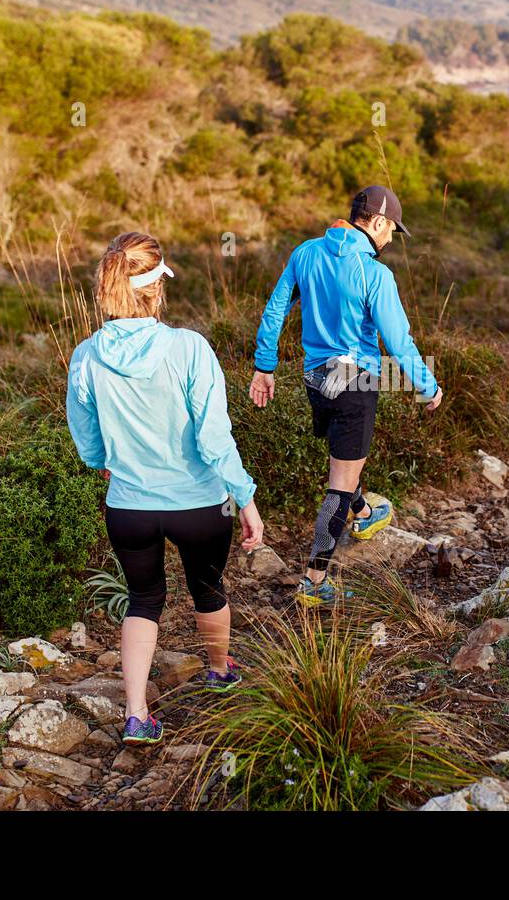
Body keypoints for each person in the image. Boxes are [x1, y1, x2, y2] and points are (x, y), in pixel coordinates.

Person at [66, 232, 263, 746]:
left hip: (128, 507)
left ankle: (135, 715)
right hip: (199, 503)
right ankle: (219, 670)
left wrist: (102, 464)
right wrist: (245, 498)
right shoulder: (189, 347)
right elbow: (213, 436)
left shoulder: (86, 355)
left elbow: (85, 436)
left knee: (144, 598)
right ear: (155, 289)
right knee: (208, 588)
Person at [249, 185, 442, 606]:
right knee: (340, 483)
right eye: (391, 228)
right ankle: (314, 581)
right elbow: (399, 341)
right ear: (375, 222)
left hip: (315, 378)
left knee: (344, 460)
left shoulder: (305, 253)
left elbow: (275, 309)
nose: (391, 238)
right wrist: (428, 386)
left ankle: (366, 514)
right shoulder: (375, 274)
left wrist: (264, 366)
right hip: (356, 383)